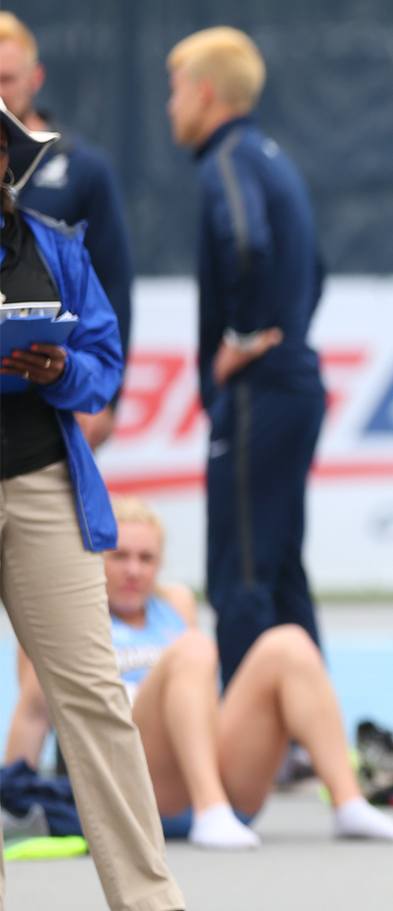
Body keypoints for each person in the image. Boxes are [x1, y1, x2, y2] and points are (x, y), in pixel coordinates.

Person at [0, 100, 182, 910]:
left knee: (95, 698)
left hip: (44, 483)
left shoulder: (55, 247)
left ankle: (150, 902)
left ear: (8, 162)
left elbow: (103, 366)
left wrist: (56, 371)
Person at [4, 496, 393, 849]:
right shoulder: (62, 618)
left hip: (215, 780)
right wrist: (15, 801)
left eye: (146, 559)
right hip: (131, 789)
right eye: (119, 556)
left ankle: (348, 803)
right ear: (94, 558)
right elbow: (33, 713)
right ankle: (210, 809)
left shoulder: (174, 604)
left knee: (288, 642)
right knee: (194, 647)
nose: (134, 570)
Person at [167, 26, 327, 685]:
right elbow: (317, 268)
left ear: (206, 92)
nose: (170, 107)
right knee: (280, 566)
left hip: (260, 392)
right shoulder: (270, 156)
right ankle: (301, 733)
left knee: (240, 572)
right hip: (292, 386)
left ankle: (239, 738)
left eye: (174, 91)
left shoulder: (228, 159)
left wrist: (242, 338)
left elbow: (244, 245)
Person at [0, 12, 134, 449]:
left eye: (6, 79)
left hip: (53, 397)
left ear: (35, 78)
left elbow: (112, 283)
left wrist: (107, 396)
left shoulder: (84, 168)